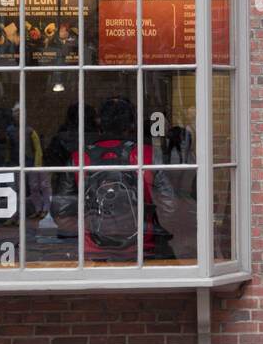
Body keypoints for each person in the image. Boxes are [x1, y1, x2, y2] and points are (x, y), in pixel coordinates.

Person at [53, 97, 177, 259]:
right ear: (132, 125)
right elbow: (169, 207)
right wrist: (150, 227)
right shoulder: (148, 156)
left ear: (100, 124)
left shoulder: (79, 159)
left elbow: (61, 213)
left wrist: (88, 229)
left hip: (92, 252)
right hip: (142, 249)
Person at [47, 104, 98, 238]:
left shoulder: (60, 138)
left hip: (66, 189)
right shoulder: (97, 139)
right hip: (94, 188)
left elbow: (50, 161)